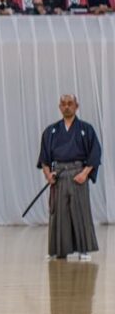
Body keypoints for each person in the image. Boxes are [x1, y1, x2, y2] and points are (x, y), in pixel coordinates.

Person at [37, 95, 100, 261]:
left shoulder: (86, 129)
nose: (67, 107)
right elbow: (44, 158)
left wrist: (85, 173)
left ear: (76, 106)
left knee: (80, 212)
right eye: (63, 104)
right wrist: (47, 174)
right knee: (58, 213)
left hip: (78, 173)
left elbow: (95, 154)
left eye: (70, 104)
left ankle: (83, 250)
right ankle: (59, 250)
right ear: (59, 107)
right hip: (58, 175)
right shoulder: (51, 131)